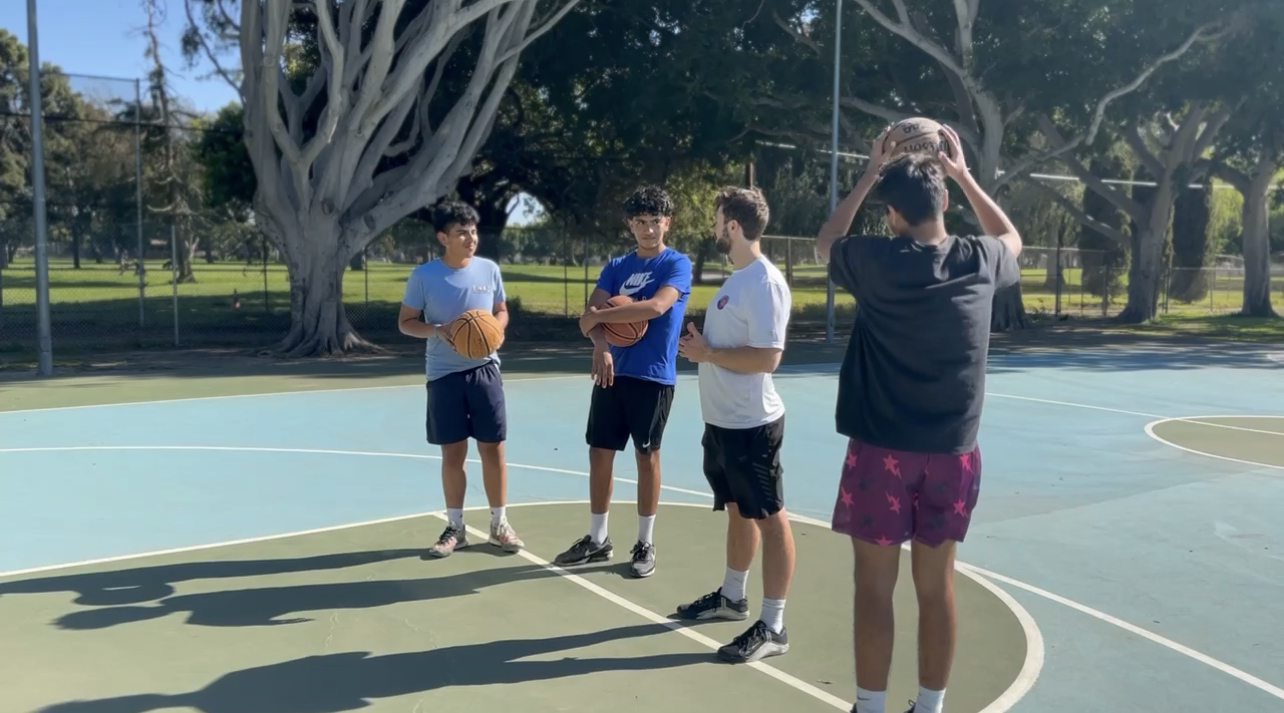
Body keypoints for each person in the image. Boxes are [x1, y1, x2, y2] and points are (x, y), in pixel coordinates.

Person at [815, 125, 1022, 713]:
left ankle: (871, 706)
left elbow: (825, 241)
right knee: (936, 588)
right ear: (945, 204)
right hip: (952, 455)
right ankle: (929, 707)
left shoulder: (875, 260)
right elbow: (1011, 235)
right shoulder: (980, 259)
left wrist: (868, 171)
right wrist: (962, 172)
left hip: (882, 451)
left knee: (874, 588)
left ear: (890, 214)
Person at [674, 185, 795, 665]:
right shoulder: (737, 279)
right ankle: (732, 597)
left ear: (733, 227)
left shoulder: (763, 282)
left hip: (752, 424)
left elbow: (769, 357)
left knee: (770, 518)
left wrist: (709, 354)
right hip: (722, 422)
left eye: (716, 218)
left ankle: (774, 624)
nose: (712, 226)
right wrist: (704, 345)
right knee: (737, 510)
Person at [552, 185, 693, 579]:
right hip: (612, 372)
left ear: (667, 222)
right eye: (641, 222)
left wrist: (602, 317)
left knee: (647, 458)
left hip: (653, 375)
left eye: (655, 222)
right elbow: (587, 318)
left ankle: (645, 542)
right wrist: (601, 345)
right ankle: (598, 539)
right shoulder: (616, 267)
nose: (648, 229)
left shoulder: (676, 264)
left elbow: (656, 306)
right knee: (600, 452)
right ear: (630, 225)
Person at [397, 199, 524, 558]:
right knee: (453, 454)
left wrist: (495, 328)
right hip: (443, 375)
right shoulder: (424, 276)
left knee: (493, 449)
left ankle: (499, 523)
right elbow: (405, 322)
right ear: (443, 237)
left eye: (473, 231)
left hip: (485, 371)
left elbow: (500, 310)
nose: (470, 238)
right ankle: (456, 526)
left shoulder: (488, 270)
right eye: (461, 233)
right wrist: (439, 330)